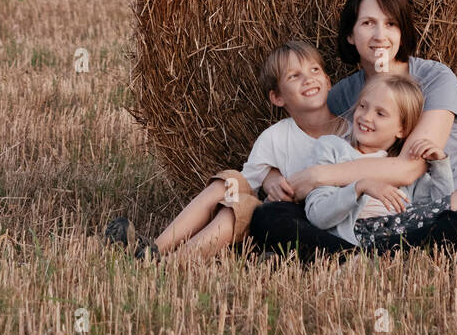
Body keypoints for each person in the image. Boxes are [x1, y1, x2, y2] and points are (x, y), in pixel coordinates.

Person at [250, 0, 457, 260]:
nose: (380, 35)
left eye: (391, 24)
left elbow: (410, 168)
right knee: (269, 217)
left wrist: (318, 176)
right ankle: (357, 257)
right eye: (368, 23)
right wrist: (271, 176)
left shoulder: (435, 78)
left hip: (444, 209)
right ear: (350, 35)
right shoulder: (342, 94)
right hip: (366, 222)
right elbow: (306, 133)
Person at [104, 40, 347, 258]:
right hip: (271, 217)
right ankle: (155, 249)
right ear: (277, 98)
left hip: (307, 227)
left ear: (328, 81)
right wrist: (269, 179)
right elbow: (247, 183)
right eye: (294, 76)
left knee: (240, 208)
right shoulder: (276, 137)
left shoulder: (352, 132)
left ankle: (171, 266)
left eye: (315, 70)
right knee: (230, 183)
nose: (308, 79)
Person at [304, 73, 457, 256]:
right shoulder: (331, 147)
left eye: (380, 113)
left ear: (402, 129)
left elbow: (435, 208)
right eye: (363, 106)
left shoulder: (404, 166)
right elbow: (317, 215)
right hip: (364, 236)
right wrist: (359, 187)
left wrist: (439, 166)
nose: (366, 116)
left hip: (404, 233)